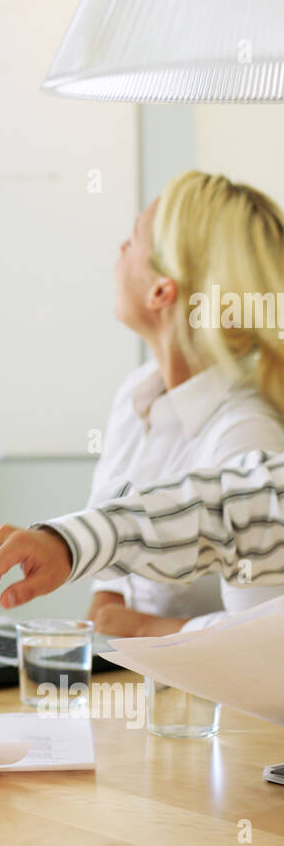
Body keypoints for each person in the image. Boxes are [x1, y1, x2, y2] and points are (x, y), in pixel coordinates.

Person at [83, 170, 284, 637]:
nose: (120, 250)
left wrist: (135, 630)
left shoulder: (245, 434)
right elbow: (106, 591)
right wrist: (112, 618)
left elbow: (264, 641)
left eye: (132, 241)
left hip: (213, 707)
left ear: (161, 290)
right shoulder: (137, 396)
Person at [0, 448, 284, 620]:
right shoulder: (135, 393)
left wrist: (144, 630)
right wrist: (67, 543)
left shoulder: (242, 419)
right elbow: (228, 511)